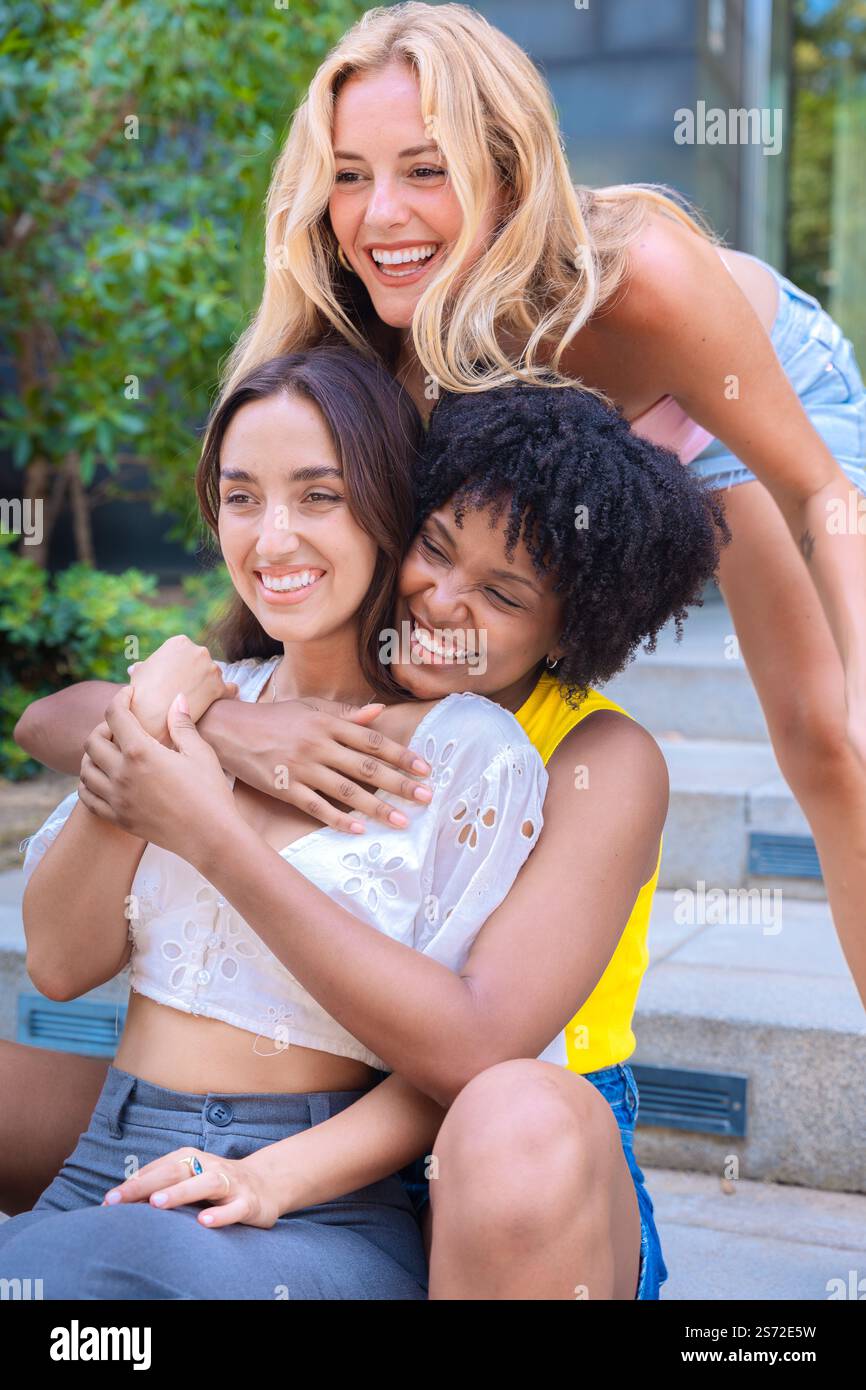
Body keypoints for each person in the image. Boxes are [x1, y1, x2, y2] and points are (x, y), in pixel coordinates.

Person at [1, 351, 728, 1299]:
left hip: (520, 1154)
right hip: (158, 1136)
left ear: (569, 631)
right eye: (436, 547)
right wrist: (205, 725)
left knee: (509, 1115)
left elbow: (479, 1047)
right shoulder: (252, 700)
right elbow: (55, 740)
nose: (443, 599)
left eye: (505, 594)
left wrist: (202, 821)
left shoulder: (558, 758)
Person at [211, 0, 866, 1006]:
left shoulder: (638, 274)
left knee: (825, 739)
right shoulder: (360, 335)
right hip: (548, 443)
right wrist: (226, 718)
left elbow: (815, 489)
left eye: (424, 169)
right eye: (349, 175)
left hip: (720, 396)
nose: (379, 213)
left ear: (505, 175)